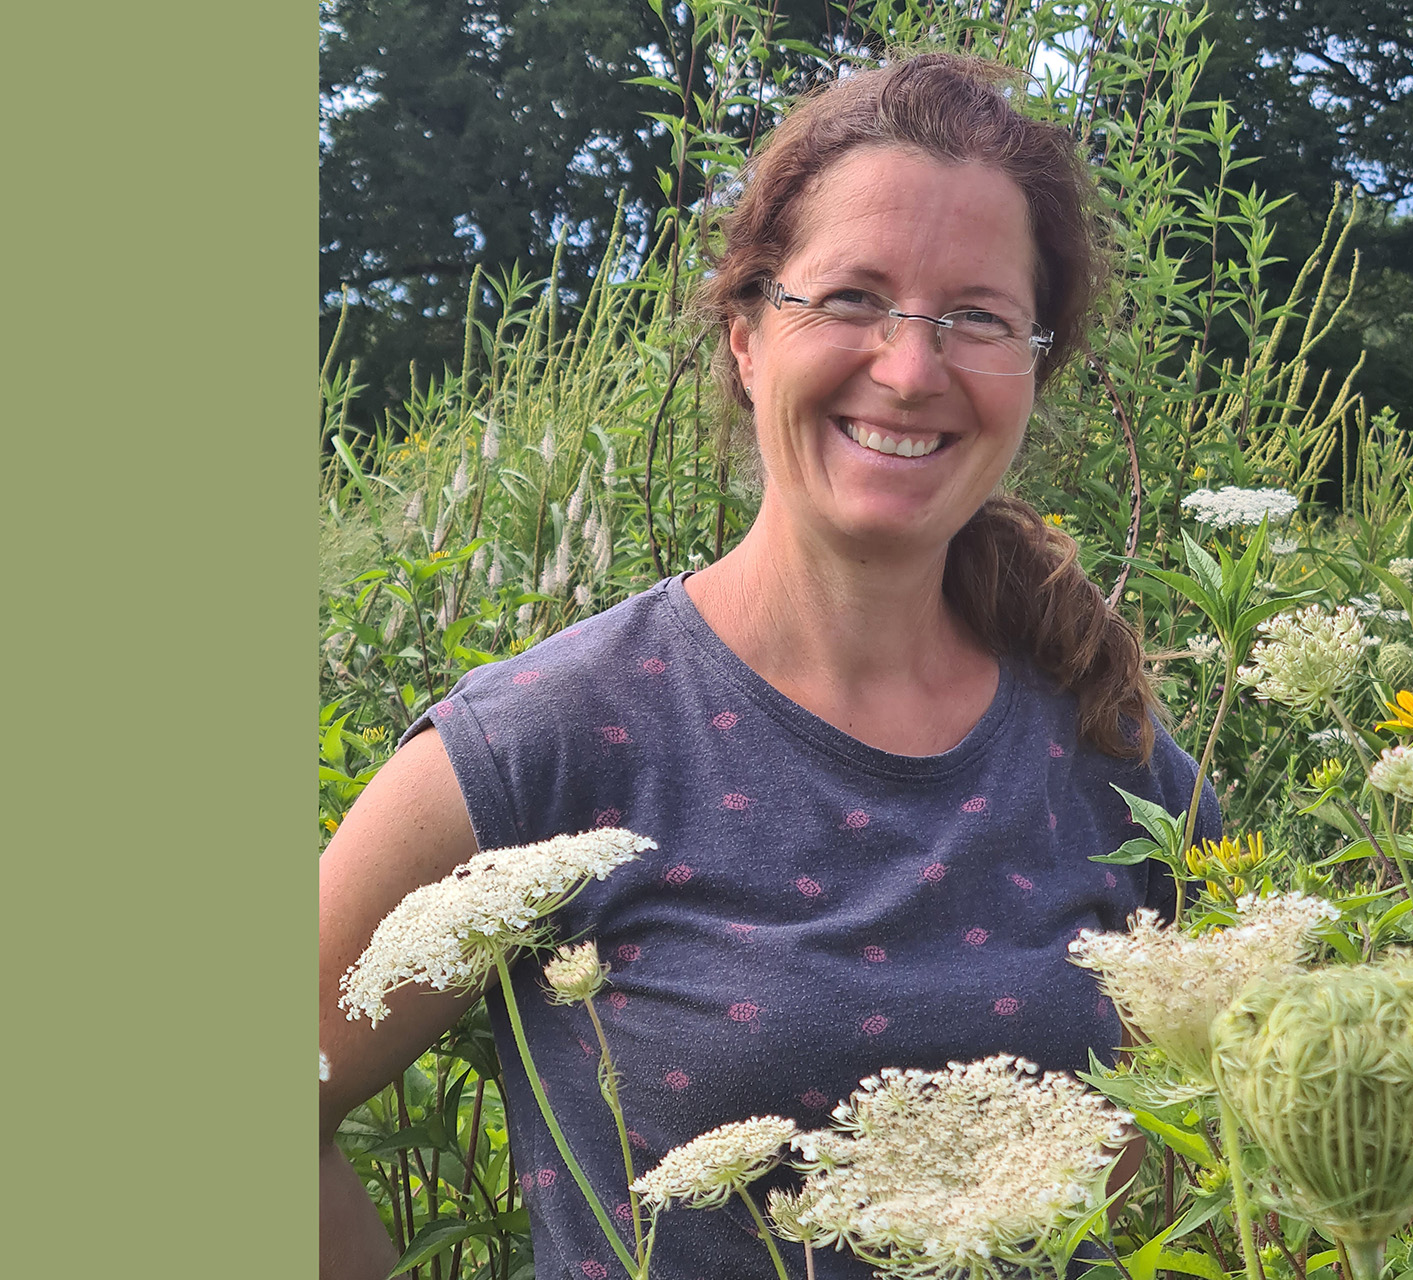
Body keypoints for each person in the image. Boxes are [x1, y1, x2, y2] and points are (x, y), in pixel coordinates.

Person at [319, 52, 1219, 1280]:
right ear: (746, 338)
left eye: (977, 317)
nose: (910, 368)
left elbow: (1211, 1167)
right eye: (852, 298)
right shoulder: (547, 738)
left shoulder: (1119, 763)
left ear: (1033, 369)